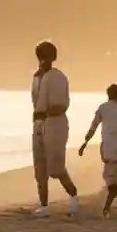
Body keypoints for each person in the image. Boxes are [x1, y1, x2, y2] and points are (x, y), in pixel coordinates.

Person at [78, 83, 117, 216]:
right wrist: (85, 142)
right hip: (109, 149)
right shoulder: (108, 108)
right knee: (111, 181)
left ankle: (106, 208)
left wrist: (85, 142)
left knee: (112, 182)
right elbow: (94, 125)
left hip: (114, 149)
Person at [30, 40, 79, 216]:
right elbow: (35, 102)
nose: (43, 60)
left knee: (56, 167)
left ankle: (73, 195)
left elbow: (61, 106)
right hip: (38, 123)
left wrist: (45, 113)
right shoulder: (36, 77)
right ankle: (44, 205)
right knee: (39, 167)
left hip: (55, 123)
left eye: (46, 56)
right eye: (41, 56)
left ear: (53, 58)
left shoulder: (58, 77)